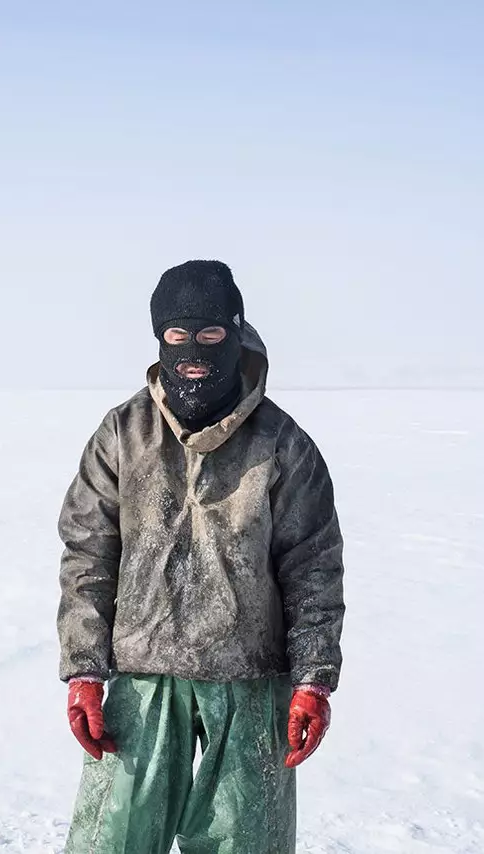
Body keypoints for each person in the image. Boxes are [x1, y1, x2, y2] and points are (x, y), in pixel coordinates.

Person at [56, 260, 346, 854]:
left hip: (249, 679)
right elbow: (88, 552)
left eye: (211, 335)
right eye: (176, 335)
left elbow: (312, 568)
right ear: (159, 336)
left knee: (243, 843)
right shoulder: (123, 433)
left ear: (235, 334)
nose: (192, 352)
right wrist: (85, 670)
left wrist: (313, 682)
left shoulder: (281, 443)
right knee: (113, 842)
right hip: (141, 677)